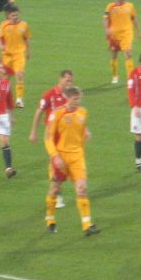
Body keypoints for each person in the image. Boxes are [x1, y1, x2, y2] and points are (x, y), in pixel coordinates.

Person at [44, 86, 99, 236]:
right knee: (55, 189)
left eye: (79, 99)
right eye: (74, 99)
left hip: (77, 157)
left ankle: (87, 224)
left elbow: (81, 126)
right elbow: (48, 138)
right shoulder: (57, 114)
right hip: (61, 157)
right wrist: (55, 156)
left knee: (82, 188)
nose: (77, 102)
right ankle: (50, 219)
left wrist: (86, 131)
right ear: (67, 99)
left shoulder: (83, 112)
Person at [29, 69, 74, 210]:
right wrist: (33, 132)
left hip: (65, 135)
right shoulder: (50, 94)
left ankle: (57, 191)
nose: (69, 83)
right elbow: (39, 112)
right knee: (56, 162)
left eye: (71, 81)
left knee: (63, 164)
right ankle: (57, 195)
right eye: (67, 80)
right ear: (60, 79)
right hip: (52, 135)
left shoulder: (70, 97)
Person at [0, 4, 30, 108]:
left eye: (16, 15)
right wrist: (1, 46)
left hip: (19, 55)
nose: (15, 17)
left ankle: (19, 100)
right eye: (13, 15)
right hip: (7, 55)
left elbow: (27, 39)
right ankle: (4, 99)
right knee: (5, 78)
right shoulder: (4, 25)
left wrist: (28, 51)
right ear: (9, 16)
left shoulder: (24, 25)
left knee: (19, 74)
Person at [103, 0, 140, 84]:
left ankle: (130, 78)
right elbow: (105, 19)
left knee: (128, 53)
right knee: (114, 55)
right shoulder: (110, 6)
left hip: (127, 34)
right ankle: (115, 75)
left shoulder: (130, 6)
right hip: (114, 35)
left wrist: (138, 31)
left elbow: (134, 18)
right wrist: (106, 30)